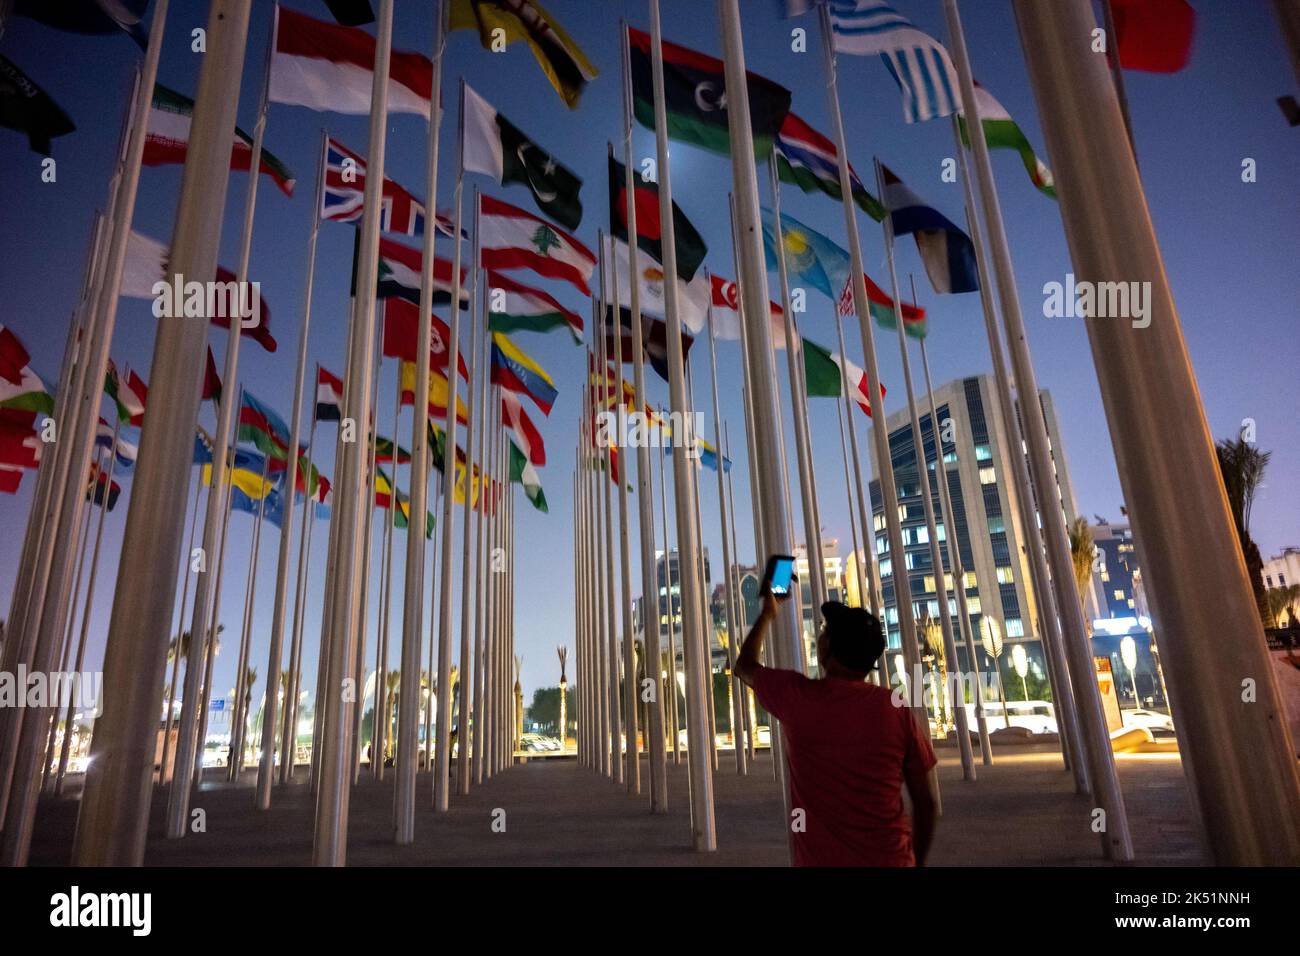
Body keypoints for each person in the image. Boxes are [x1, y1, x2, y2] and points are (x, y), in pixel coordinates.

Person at [734, 591, 938, 867]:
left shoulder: (798, 698)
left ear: (827, 648)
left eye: (823, 632)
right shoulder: (895, 709)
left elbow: (745, 665)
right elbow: (925, 805)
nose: (819, 637)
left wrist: (768, 614)